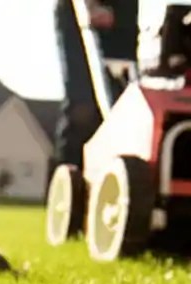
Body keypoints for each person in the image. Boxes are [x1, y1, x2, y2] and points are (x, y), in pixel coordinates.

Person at [52, 1, 139, 175]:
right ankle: (71, 180)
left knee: (125, 106)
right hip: (83, 12)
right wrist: (90, 6)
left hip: (124, 13)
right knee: (84, 108)